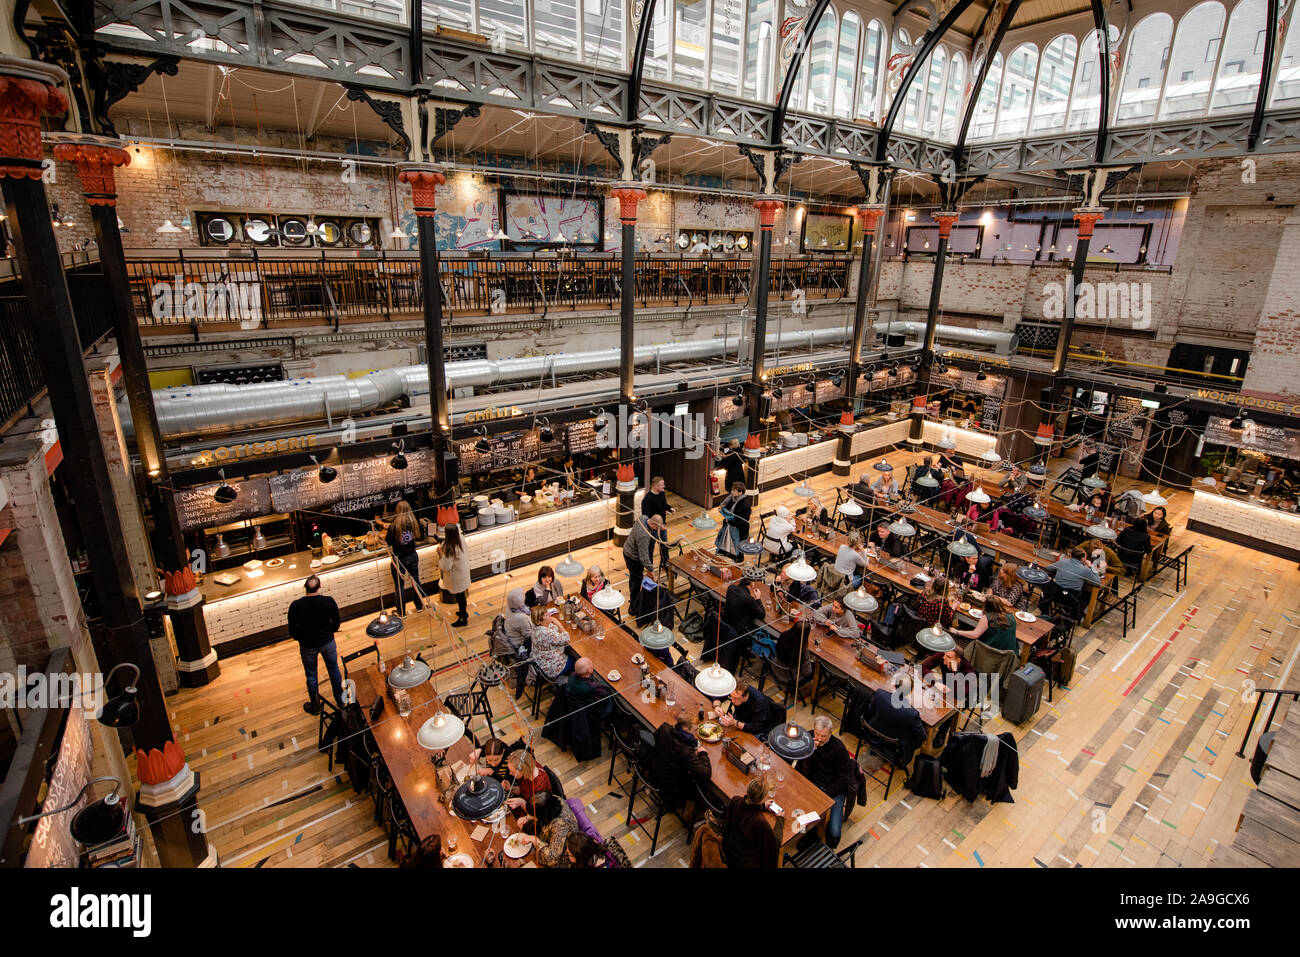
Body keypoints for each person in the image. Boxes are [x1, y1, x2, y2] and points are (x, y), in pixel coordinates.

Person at [797, 715, 858, 848]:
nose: (819, 738)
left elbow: (844, 780)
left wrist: (825, 793)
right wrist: (809, 752)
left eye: (824, 736)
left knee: (834, 833)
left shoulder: (839, 749)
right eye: (817, 734)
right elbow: (801, 766)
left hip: (834, 788)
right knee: (799, 811)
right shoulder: (809, 738)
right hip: (813, 783)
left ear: (830, 733)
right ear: (814, 730)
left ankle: (828, 850)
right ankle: (811, 835)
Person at [287, 576, 344, 714]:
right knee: (334, 669)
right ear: (320, 587)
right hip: (327, 642)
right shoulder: (328, 601)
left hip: (307, 646)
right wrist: (330, 631)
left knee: (311, 675)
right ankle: (340, 701)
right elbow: (336, 624)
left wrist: (300, 638)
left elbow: (292, 631)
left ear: (305, 588)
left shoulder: (296, 606)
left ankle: (315, 706)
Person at [652, 713, 712, 810]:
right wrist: (703, 754)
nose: (696, 733)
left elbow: (655, 739)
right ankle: (690, 813)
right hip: (671, 786)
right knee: (703, 785)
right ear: (686, 730)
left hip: (655, 771)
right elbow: (706, 774)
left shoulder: (664, 728)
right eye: (694, 730)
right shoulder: (686, 750)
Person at [867, 672, 925, 769]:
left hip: (873, 734)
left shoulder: (879, 694)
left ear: (894, 686)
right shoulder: (912, 714)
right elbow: (922, 737)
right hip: (893, 746)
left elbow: (870, 710)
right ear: (910, 691)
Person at [722, 776, 778, 868]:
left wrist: (762, 806)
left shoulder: (735, 800)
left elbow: (746, 810)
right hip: (745, 863)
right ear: (763, 797)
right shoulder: (760, 822)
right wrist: (780, 820)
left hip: (729, 853)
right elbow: (774, 844)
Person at [514, 791, 579, 867]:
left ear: (543, 815)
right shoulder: (552, 799)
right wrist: (528, 818)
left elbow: (552, 858)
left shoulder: (560, 826)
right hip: (551, 840)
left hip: (563, 856)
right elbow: (542, 813)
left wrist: (534, 840)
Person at [385, 501, 425, 613]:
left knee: (399, 586)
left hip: (399, 559)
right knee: (416, 581)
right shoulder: (413, 522)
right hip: (412, 555)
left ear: (397, 511)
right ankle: (419, 606)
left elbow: (388, 542)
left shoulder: (393, 526)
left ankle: (402, 612)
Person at [623, 512, 663, 611]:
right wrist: (651, 569)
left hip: (626, 550)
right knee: (637, 580)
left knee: (633, 576)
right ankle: (633, 606)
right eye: (656, 528)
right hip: (633, 557)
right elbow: (643, 556)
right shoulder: (644, 535)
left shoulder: (643, 518)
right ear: (653, 524)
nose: (657, 530)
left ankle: (634, 599)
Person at [952, 593, 1018, 653]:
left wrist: (957, 632)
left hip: (991, 652)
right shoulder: (1011, 616)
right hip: (1009, 654)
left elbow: (974, 635)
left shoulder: (987, 617)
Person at [1044, 547, 1103, 614]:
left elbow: (1048, 568)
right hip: (1071, 599)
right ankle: (1080, 615)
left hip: (1055, 594)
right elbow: (1098, 582)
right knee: (1087, 594)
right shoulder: (1085, 570)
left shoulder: (1063, 561)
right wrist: (1091, 566)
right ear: (1083, 558)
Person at [438, 523, 470, 627]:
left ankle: (463, 618)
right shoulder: (460, 538)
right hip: (463, 573)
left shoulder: (449, 547)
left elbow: (446, 566)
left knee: (460, 598)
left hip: (455, 578)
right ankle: (462, 612)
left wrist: (440, 555)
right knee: (462, 596)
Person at [642, 475, 674, 569]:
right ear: (655, 486)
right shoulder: (647, 499)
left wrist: (669, 508)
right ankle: (650, 567)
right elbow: (645, 516)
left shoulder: (662, 493)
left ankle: (666, 563)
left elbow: (663, 504)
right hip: (652, 529)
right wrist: (654, 525)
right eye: (662, 485)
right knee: (650, 548)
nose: (664, 486)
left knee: (664, 545)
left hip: (662, 526)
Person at [529, 616, 573, 681]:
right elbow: (567, 638)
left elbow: (552, 629)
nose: (550, 615)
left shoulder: (535, 627)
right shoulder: (546, 633)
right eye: (547, 615)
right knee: (577, 660)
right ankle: (566, 683)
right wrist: (558, 624)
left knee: (568, 651)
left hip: (541, 662)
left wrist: (553, 624)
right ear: (541, 621)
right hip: (552, 668)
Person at [775, 617, 815, 688]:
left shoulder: (783, 635)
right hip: (790, 678)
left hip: (777, 669)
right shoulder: (801, 650)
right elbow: (807, 672)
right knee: (817, 668)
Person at [716, 481, 751, 558]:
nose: (731, 492)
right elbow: (729, 508)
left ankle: (738, 563)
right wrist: (722, 509)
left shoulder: (745, 504)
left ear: (740, 492)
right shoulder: (734, 498)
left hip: (740, 530)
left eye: (734, 491)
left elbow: (743, 521)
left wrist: (730, 521)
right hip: (732, 527)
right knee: (728, 544)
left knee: (739, 549)